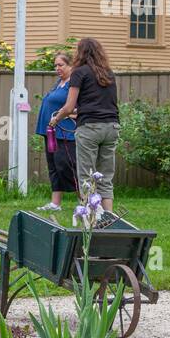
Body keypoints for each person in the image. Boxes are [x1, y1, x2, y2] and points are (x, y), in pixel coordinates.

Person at [50, 37, 119, 211]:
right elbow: (104, 104)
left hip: (89, 129)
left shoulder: (79, 73)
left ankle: (92, 217)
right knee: (105, 176)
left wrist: (55, 119)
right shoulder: (108, 73)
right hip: (111, 127)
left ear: (80, 53)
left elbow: (69, 106)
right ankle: (108, 216)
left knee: (87, 176)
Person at [35, 52, 78, 211]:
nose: (57, 68)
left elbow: (80, 108)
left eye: (61, 65)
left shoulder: (74, 84)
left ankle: (83, 200)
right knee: (53, 166)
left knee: (67, 165)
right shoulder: (59, 83)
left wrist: (67, 114)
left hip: (65, 131)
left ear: (71, 65)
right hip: (51, 131)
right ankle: (55, 203)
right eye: (56, 65)